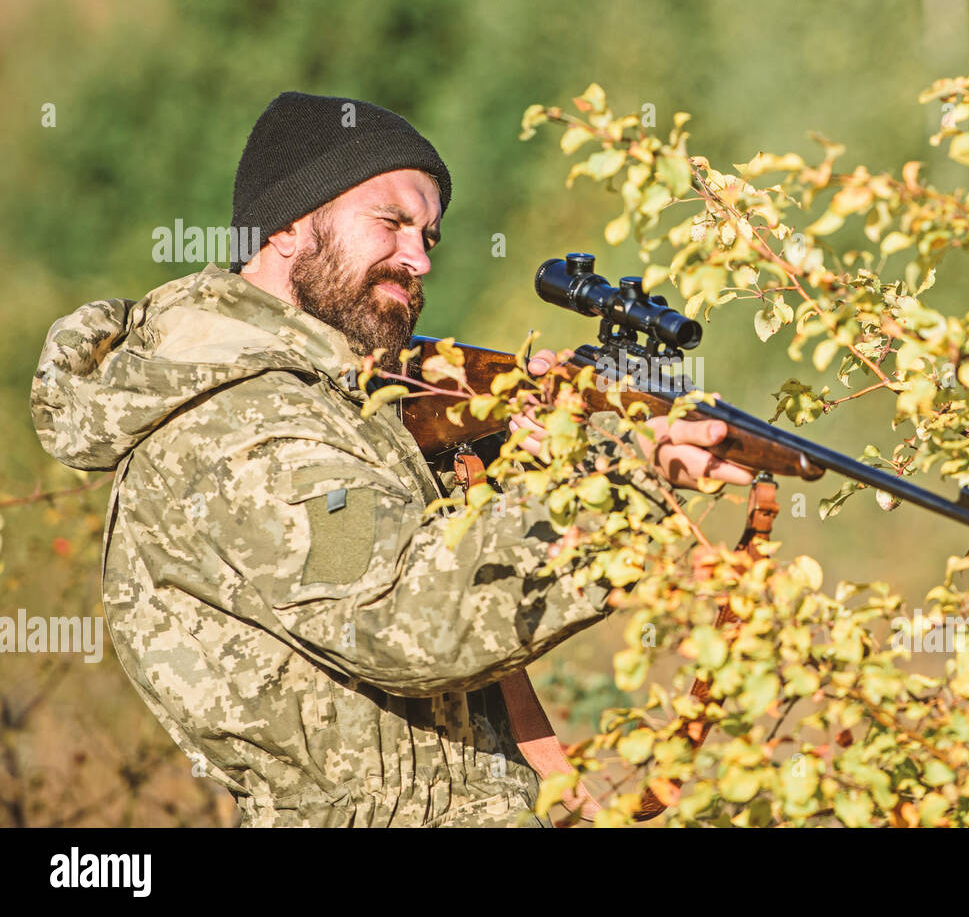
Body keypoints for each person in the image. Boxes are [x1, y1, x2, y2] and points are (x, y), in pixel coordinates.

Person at [29, 91, 750, 827]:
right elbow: (403, 615)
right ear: (286, 225)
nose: (418, 258)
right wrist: (627, 489)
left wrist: (566, 458)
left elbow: (418, 558)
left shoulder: (340, 403)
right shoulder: (245, 419)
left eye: (430, 236)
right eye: (392, 222)